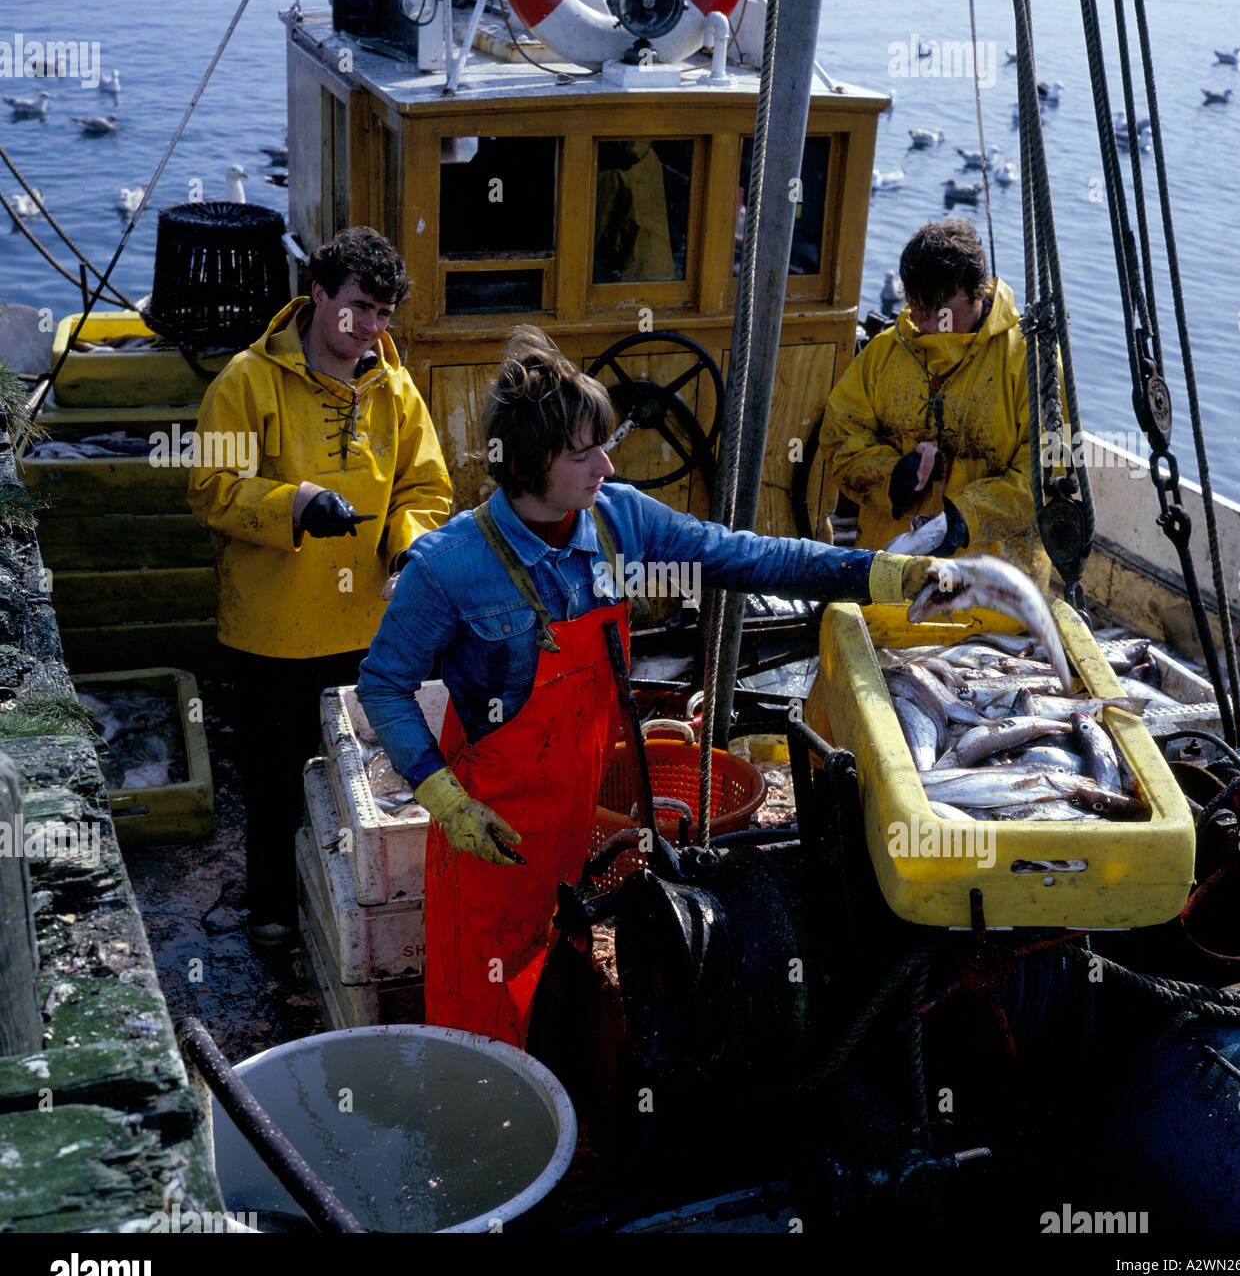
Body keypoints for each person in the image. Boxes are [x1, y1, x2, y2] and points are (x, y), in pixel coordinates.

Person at [356, 325, 965, 1048]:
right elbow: (384, 684)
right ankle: (481, 1135)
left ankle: (549, 1093)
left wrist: (874, 574)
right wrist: (441, 798)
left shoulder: (618, 521)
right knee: (475, 1012)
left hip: (575, 810)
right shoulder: (447, 566)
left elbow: (747, 556)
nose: (606, 465)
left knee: (556, 968)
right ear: (525, 464)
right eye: (584, 453)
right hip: (484, 830)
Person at [188, 226, 454, 946]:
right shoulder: (245, 380)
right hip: (273, 630)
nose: (370, 327)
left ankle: (359, 922)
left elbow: (424, 489)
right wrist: (296, 504)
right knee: (276, 782)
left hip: (370, 630)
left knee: (367, 782)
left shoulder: (395, 388)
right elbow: (209, 487)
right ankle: (274, 913)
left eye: (384, 314)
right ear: (317, 295)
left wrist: (406, 551)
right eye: (359, 307)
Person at [821, 218, 1053, 588]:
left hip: (996, 589)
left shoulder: (1031, 360)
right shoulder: (883, 353)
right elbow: (840, 435)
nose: (927, 324)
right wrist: (891, 476)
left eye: (940, 312)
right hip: (894, 577)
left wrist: (967, 518)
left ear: (978, 294)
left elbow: (1051, 469)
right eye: (916, 308)